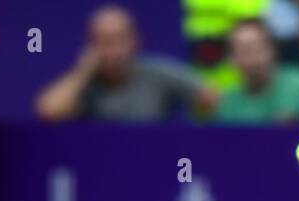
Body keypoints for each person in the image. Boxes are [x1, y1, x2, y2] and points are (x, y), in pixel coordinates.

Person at [34, 4, 217, 122]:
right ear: (90, 45)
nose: (112, 51)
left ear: (134, 42)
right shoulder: (83, 82)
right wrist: (82, 71)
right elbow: (48, 112)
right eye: (103, 41)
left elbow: (210, 97)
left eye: (118, 40)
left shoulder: (158, 73)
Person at [216, 18, 299, 122]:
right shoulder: (228, 102)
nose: (254, 57)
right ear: (231, 59)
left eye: (259, 47)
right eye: (245, 50)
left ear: (273, 49)